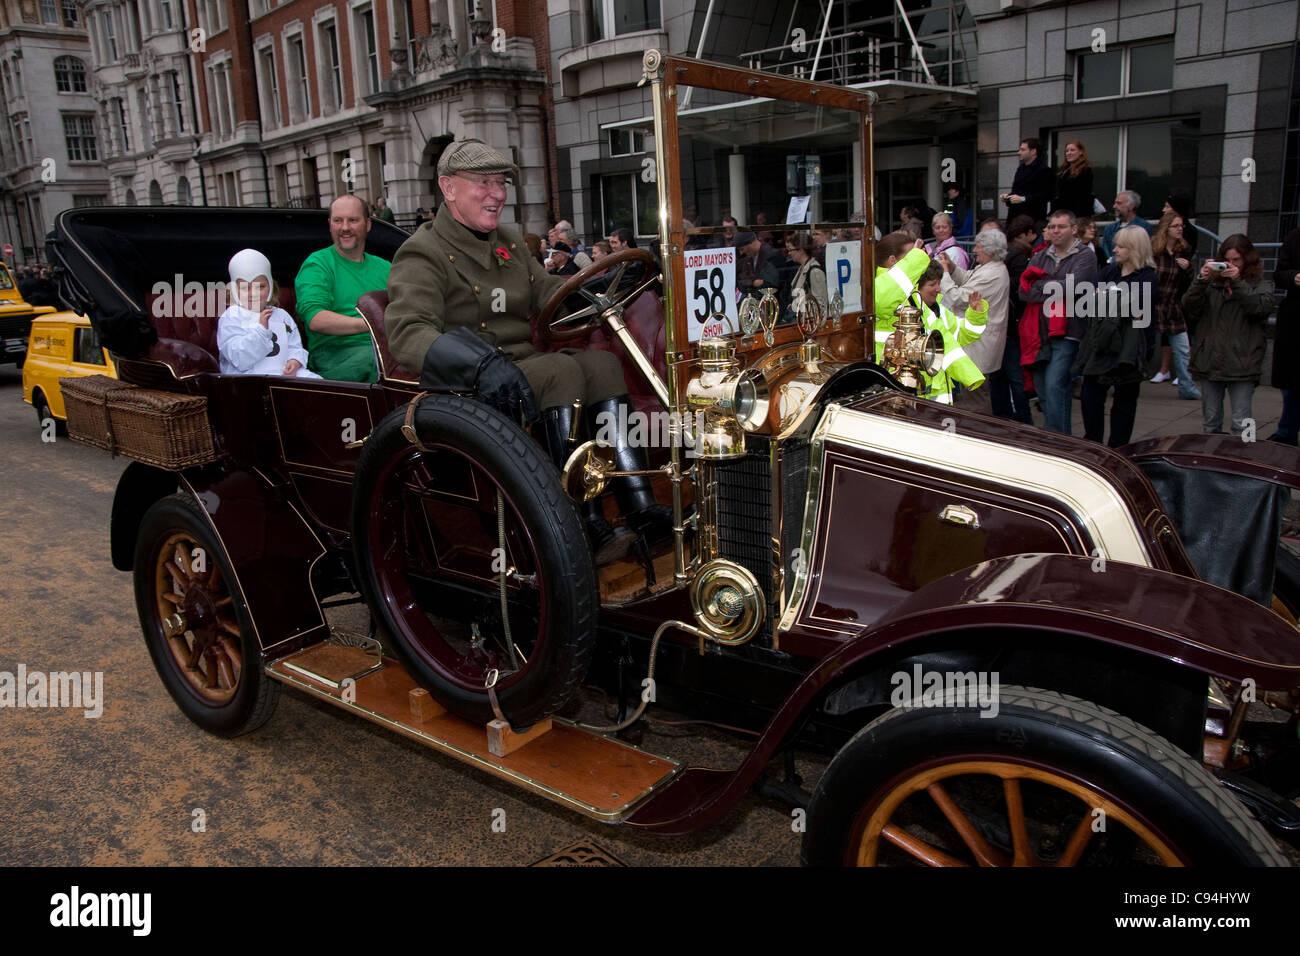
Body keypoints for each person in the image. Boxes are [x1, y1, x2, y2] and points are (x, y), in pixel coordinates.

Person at [383, 139, 669, 562]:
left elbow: (550, 292)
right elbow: (407, 333)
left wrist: (599, 292)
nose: (497, 194)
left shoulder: (510, 242)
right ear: (448, 187)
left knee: (603, 365)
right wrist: (480, 363)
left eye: (501, 183)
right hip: (471, 385)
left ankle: (639, 505)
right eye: (483, 182)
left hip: (520, 367)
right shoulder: (422, 252)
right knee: (561, 372)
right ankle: (579, 523)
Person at [1183, 234, 1279, 435]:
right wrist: (1201, 280)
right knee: (1210, 422)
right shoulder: (1211, 285)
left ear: (1247, 259)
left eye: (1236, 260)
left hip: (1242, 361)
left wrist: (1237, 282)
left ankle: (1247, 450)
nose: (1231, 264)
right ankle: (1212, 453)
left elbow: (1260, 308)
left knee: (1243, 422)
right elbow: (1188, 306)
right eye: (1227, 260)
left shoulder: (1260, 285)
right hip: (1210, 359)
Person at [1072, 226, 1159, 447]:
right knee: (1090, 398)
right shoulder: (1109, 272)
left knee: (1124, 403)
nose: (1115, 249)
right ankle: (1093, 445)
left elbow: (1134, 307)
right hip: (1101, 345)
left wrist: (1104, 298)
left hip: (1129, 350)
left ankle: (1118, 449)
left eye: (1121, 246)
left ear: (1134, 248)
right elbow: (1086, 303)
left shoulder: (1148, 277)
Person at [294, 195, 391, 382]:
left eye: (353, 220)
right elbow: (315, 319)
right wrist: (373, 325)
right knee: (379, 361)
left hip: (385, 349)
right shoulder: (318, 264)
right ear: (330, 225)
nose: (345, 228)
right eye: (338, 220)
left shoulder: (385, 267)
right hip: (334, 356)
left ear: (367, 224)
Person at [1020, 208, 1099, 434]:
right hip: (1040, 332)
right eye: (1052, 226)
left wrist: (1041, 286)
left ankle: (1058, 439)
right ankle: (1054, 434)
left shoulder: (1085, 256)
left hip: (1070, 330)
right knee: (1042, 387)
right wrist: (1058, 287)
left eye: (1061, 227)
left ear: (1073, 229)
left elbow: (1076, 287)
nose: (1055, 231)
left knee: (1055, 383)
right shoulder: (1040, 256)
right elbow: (1024, 291)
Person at [218, 248, 321, 379]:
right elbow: (239, 359)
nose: (253, 293)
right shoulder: (231, 317)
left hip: (283, 374)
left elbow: (294, 346)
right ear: (234, 290)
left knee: (315, 381)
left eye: (260, 287)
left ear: (271, 287)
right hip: (247, 376)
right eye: (245, 288)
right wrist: (261, 331)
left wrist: (295, 361)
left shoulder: (282, 316)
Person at [940, 228, 1010, 413]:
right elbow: (968, 278)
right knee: (975, 394)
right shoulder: (991, 267)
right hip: (979, 342)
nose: (974, 250)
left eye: (979, 246)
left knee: (975, 398)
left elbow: (957, 297)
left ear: (990, 250)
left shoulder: (991, 274)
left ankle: (977, 428)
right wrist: (952, 268)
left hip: (979, 344)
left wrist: (944, 273)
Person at [907, 262, 988, 405]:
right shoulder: (908, 314)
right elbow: (948, 347)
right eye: (932, 284)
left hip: (938, 395)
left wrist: (976, 314)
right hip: (920, 395)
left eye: (939, 283)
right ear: (916, 287)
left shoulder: (939, 310)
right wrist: (969, 376)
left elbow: (963, 335)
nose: (938, 289)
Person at [1149, 212, 1200, 399]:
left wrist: (1187, 269)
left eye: (1181, 226)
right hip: (1151, 305)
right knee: (1141, 346)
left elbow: (1189, 282)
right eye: (1176, 226)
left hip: (1172, 306)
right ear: (1166, 228)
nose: (1180, 229)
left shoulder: (1183, 250)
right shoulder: (1154, 250)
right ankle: (1125, 382)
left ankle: (1187, 387)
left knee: (1183, 349)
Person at [999, 217, 1038, 423]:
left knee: (1011, 377)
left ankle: (1019, 421)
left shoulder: (1013, 259)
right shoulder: (1016, 258)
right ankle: (1014, 419)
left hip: (1010, 326)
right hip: (1007, 327)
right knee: (1006, 377)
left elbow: (1019, 289)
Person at [1270, 228, 1300, 445]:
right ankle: (1286, 432)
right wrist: (1294, 277)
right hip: (1295, 322)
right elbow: (1279, 274)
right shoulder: (1295, 238)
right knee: (1292, 384)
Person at [1002, 138, 1052, 227]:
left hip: (1031, 219)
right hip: (1014, 218)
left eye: (1023, 150)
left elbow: (1045, 195)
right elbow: (1016, 192)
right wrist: (1008, 197)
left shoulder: (1044, 171)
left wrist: (1023, 199)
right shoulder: (1020, 169)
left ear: (1033, 151)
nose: (1019, 152)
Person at [1101, 191, 1154, 263]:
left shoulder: (1143, 227)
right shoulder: (1109, 229)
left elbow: (1143, 254)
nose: (1114, 206)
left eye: (1119, 203)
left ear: (1131, 206)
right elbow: (1105, 255)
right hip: (1112, 268)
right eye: (1115, 203)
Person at [785, 232, 827, 318]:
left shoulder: (814, 272)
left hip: (809, 322)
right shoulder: (802, 268)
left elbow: (820, 305)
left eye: (790, 249)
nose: (789, 253)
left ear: (801, 250)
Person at [1052, 139, 1095, 220]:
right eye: (1067, 151)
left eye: (1072, 150)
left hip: (1077, 215)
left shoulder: (1085, 171)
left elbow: (1083, 196)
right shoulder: (1064, 171)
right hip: (1063, 213)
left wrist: (1078, 217)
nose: (1069, 153)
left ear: (1081, 152)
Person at [735, 231, 781, 295]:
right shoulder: (749, 259)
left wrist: (751, 282)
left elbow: (771, 283)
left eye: (742, 249)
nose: (741, 253)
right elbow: (742, 281)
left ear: (751, 243)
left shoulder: (772, 255)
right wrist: (753, 282)